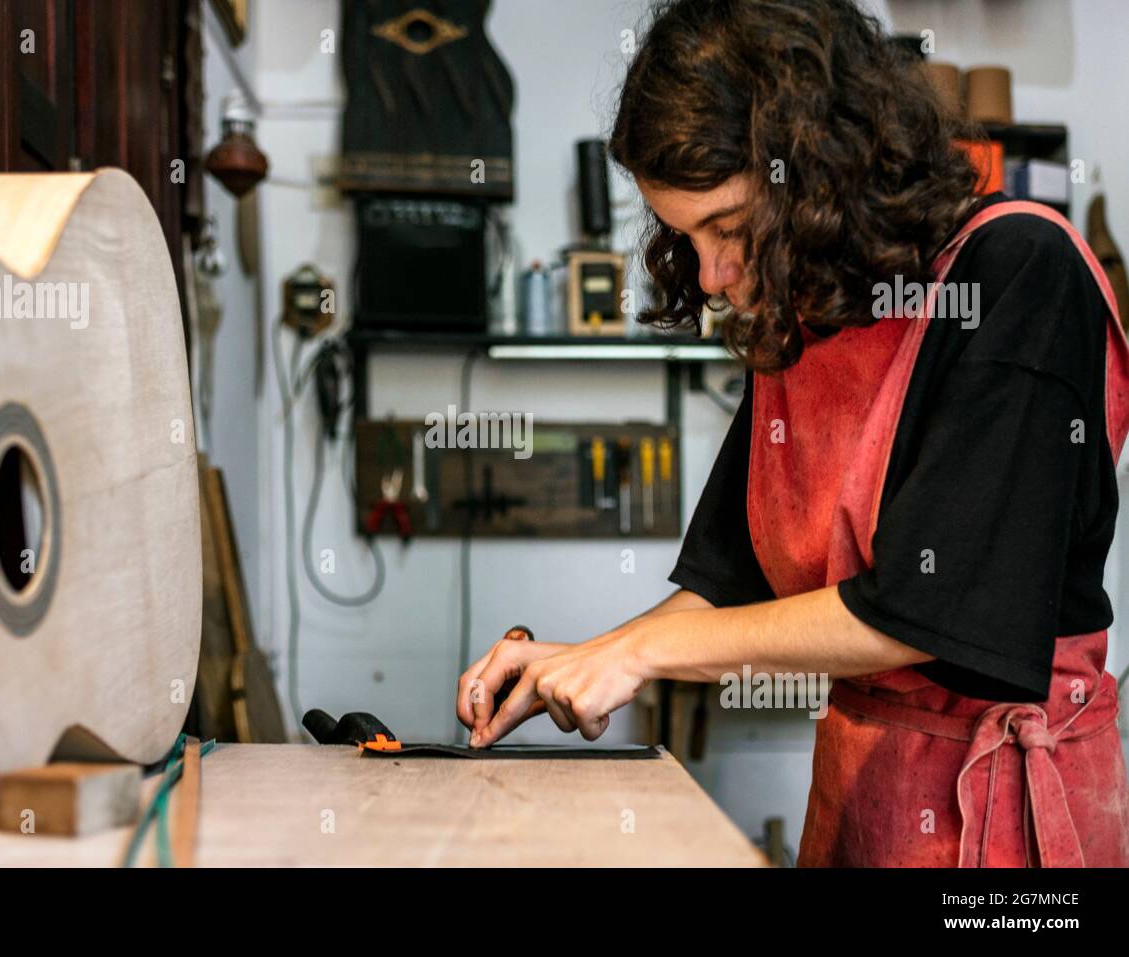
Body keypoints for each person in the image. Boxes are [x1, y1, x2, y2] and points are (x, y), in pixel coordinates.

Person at [456, 0, 1129, 867]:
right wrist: (581, 657)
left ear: (820, 170)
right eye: (684, 235)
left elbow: (926, 611)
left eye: (729, 230)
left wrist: (641, 652)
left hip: (1005, 820)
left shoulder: (1022, 274)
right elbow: (729, 582)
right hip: (859, 794)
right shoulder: (809, 314)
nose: (712, 275)